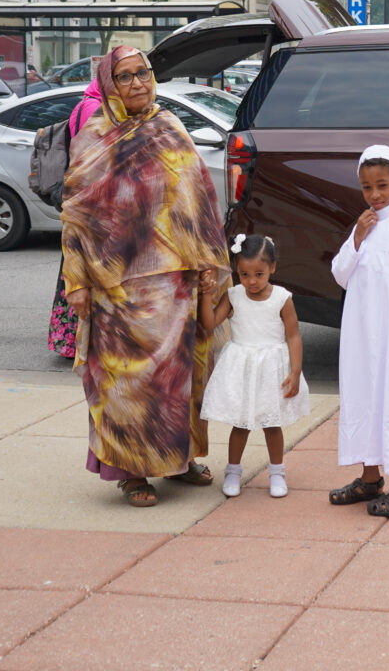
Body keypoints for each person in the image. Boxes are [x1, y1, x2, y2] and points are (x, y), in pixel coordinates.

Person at [61, 46, 230, 508]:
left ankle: (180, 457)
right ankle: (132, 471)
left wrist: (208, 262)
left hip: (175, 280)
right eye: (125, 76)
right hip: (118, 286)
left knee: (180, 379)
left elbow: (199, 197)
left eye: (144, 73)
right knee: (127, 384)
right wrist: (77, 282)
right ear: (110, 84)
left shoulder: (169, 127)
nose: (138, 83)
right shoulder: (95, 136)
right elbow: (77, 216)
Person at [328, 144, 389, 518]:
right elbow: (340, 273)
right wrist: (356, 237)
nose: (375, 194)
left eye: (382, 185)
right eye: (367, 187)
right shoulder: (366, 224)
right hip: (361, 337)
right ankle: (370, 478)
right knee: (365, 401)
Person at [198, 233, 310, 499]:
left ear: (273, 268)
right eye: (245, 274)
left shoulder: (282, 298)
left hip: (271, 368)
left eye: (259, 274)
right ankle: (233, 472)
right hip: (243, 367)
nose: (252, 281)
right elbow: (210, 323)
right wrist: (205, 294)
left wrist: (294, 372)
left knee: (272, 424)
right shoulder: (234, 295)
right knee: (241, 424)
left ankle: (276, 473)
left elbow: (293, 335)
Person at [46, 77, 106, 360]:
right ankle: (76, 340)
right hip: (88, 198)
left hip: (78, 196)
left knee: (73, 270)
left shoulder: (84, 104)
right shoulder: (95, 109)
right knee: (82, 270)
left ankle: (68, 339)